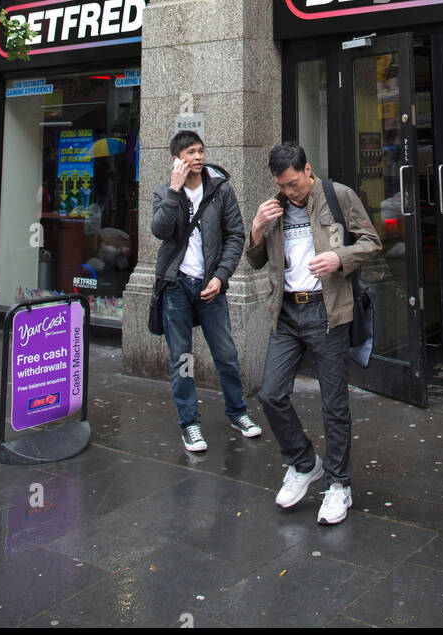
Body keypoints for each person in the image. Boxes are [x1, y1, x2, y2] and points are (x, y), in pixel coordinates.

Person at [245, 142, 382, 525]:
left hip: (328, 310)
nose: (289, 192)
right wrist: (256, 228)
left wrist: (341, 257)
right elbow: (255, 261)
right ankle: (304, 463)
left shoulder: (338, 196)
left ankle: (339, 485)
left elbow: (371, 241)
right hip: (286, 312)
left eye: (293, 183)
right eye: (282, 185)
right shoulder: (273, 208)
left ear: (307, 170)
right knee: (271, 394)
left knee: (334, 403)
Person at [151, 130, 261, 452]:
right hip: (176, 286)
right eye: (189, 153)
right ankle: (190, 424)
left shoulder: (221, 190)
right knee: (182, 357)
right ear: (177, 159)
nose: (197, 157)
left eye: (200, 151)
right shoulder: (163, 193)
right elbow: (160, 230)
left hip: (210, 285)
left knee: (225, 353)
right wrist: (174, 190)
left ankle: (238, 412)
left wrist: (221, 277)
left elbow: (236, 236)